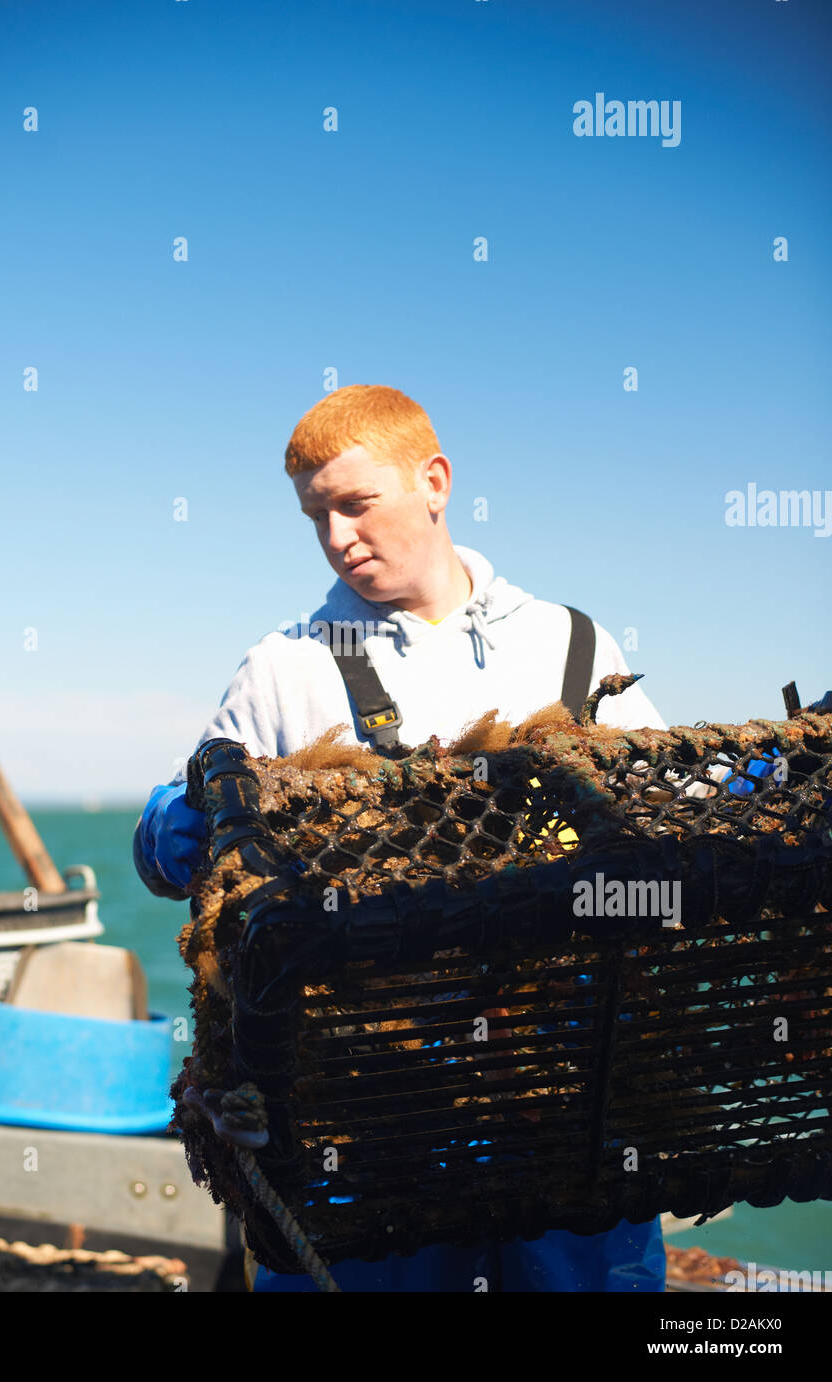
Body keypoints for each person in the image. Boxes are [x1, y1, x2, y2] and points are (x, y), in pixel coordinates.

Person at [134, 383, 670, 1291]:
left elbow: (660, 827)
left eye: (355, 503)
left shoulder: (572, 645)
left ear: (434, 480)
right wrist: (186, 817)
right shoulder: (287, 666)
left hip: (563, 1091)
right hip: (359, 1105)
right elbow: (167, 861)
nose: (338, 537)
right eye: (315, 516)